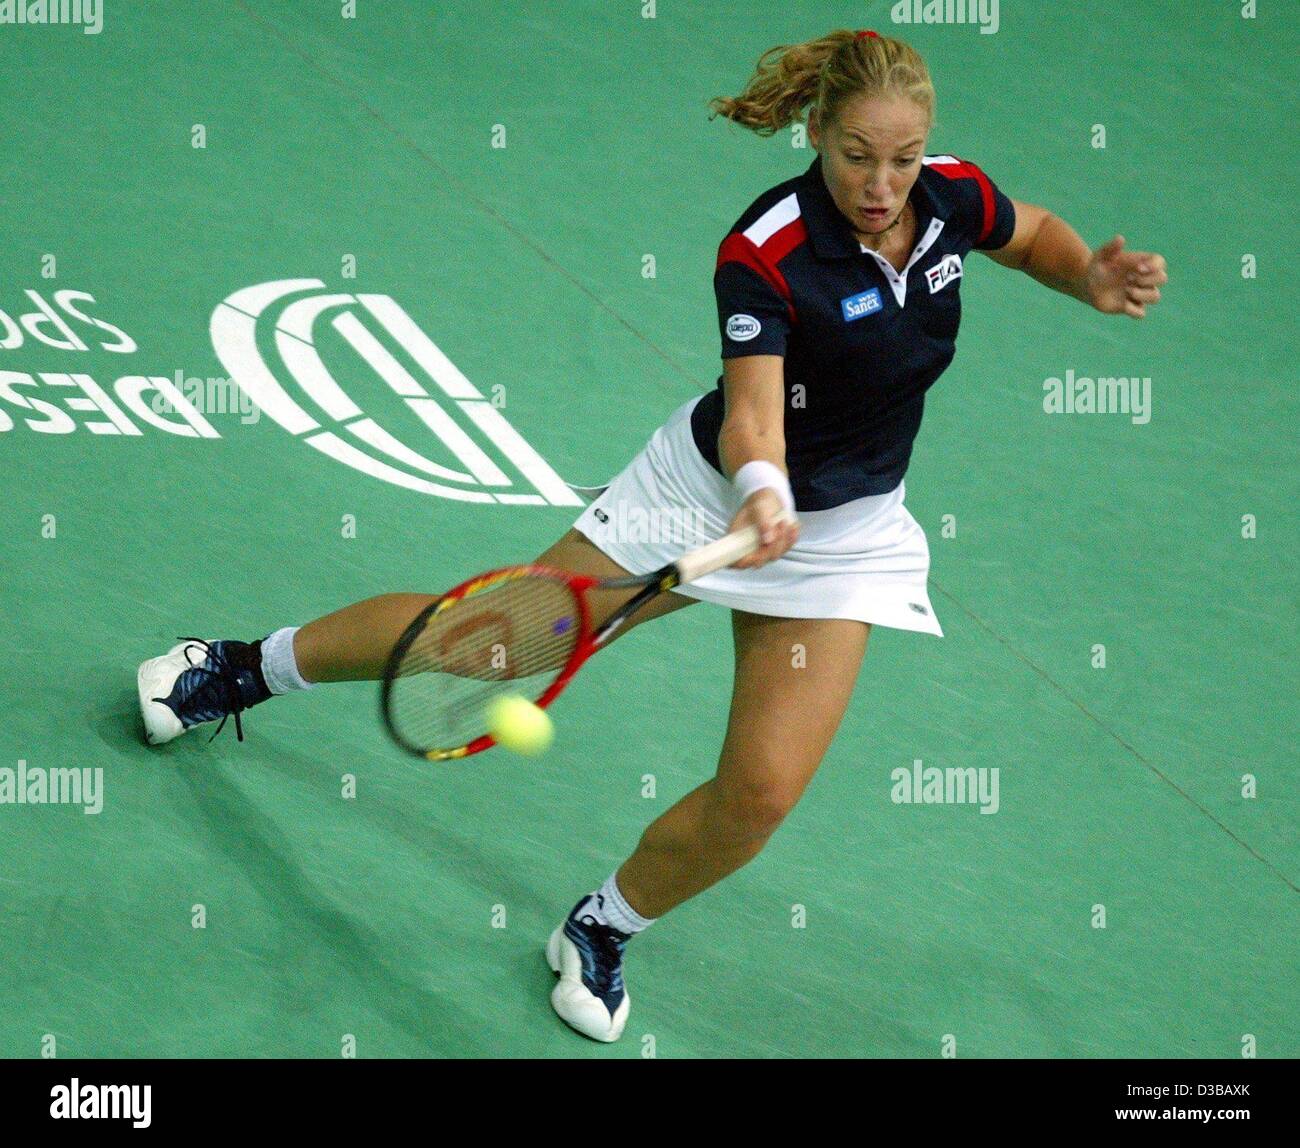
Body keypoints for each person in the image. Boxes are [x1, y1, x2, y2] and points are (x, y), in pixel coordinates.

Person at [136, 28, 1168, 1044]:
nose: (881, 182)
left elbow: (1026, 233)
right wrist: (760, 490)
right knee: (490, 648)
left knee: (759, 793)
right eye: (858, 155)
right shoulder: (764, 250)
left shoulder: (948, 194)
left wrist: (1084, 276)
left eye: (901, 158)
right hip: (706, 496)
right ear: (815, 130)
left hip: (844, 537)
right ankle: (239, 666)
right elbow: (754, 412)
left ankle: (601, 923)